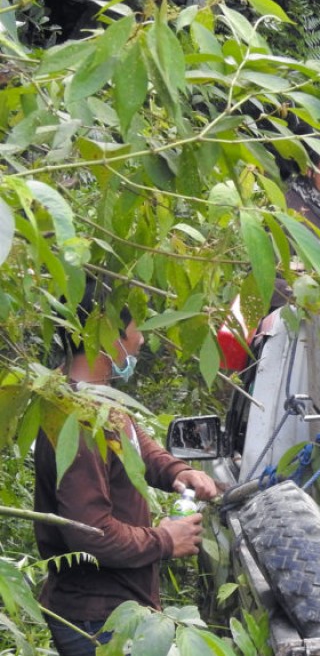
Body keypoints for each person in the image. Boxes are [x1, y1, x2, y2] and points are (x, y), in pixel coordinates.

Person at [34, 281, 218, 656]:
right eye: (137, 328)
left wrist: (175, 471)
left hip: (114, 610)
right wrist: (166, 540)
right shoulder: (79, 420)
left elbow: (135, 447)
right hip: (99, 621)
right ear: (108, 334)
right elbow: (91, 533)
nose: (140, 341)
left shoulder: (95, 399)